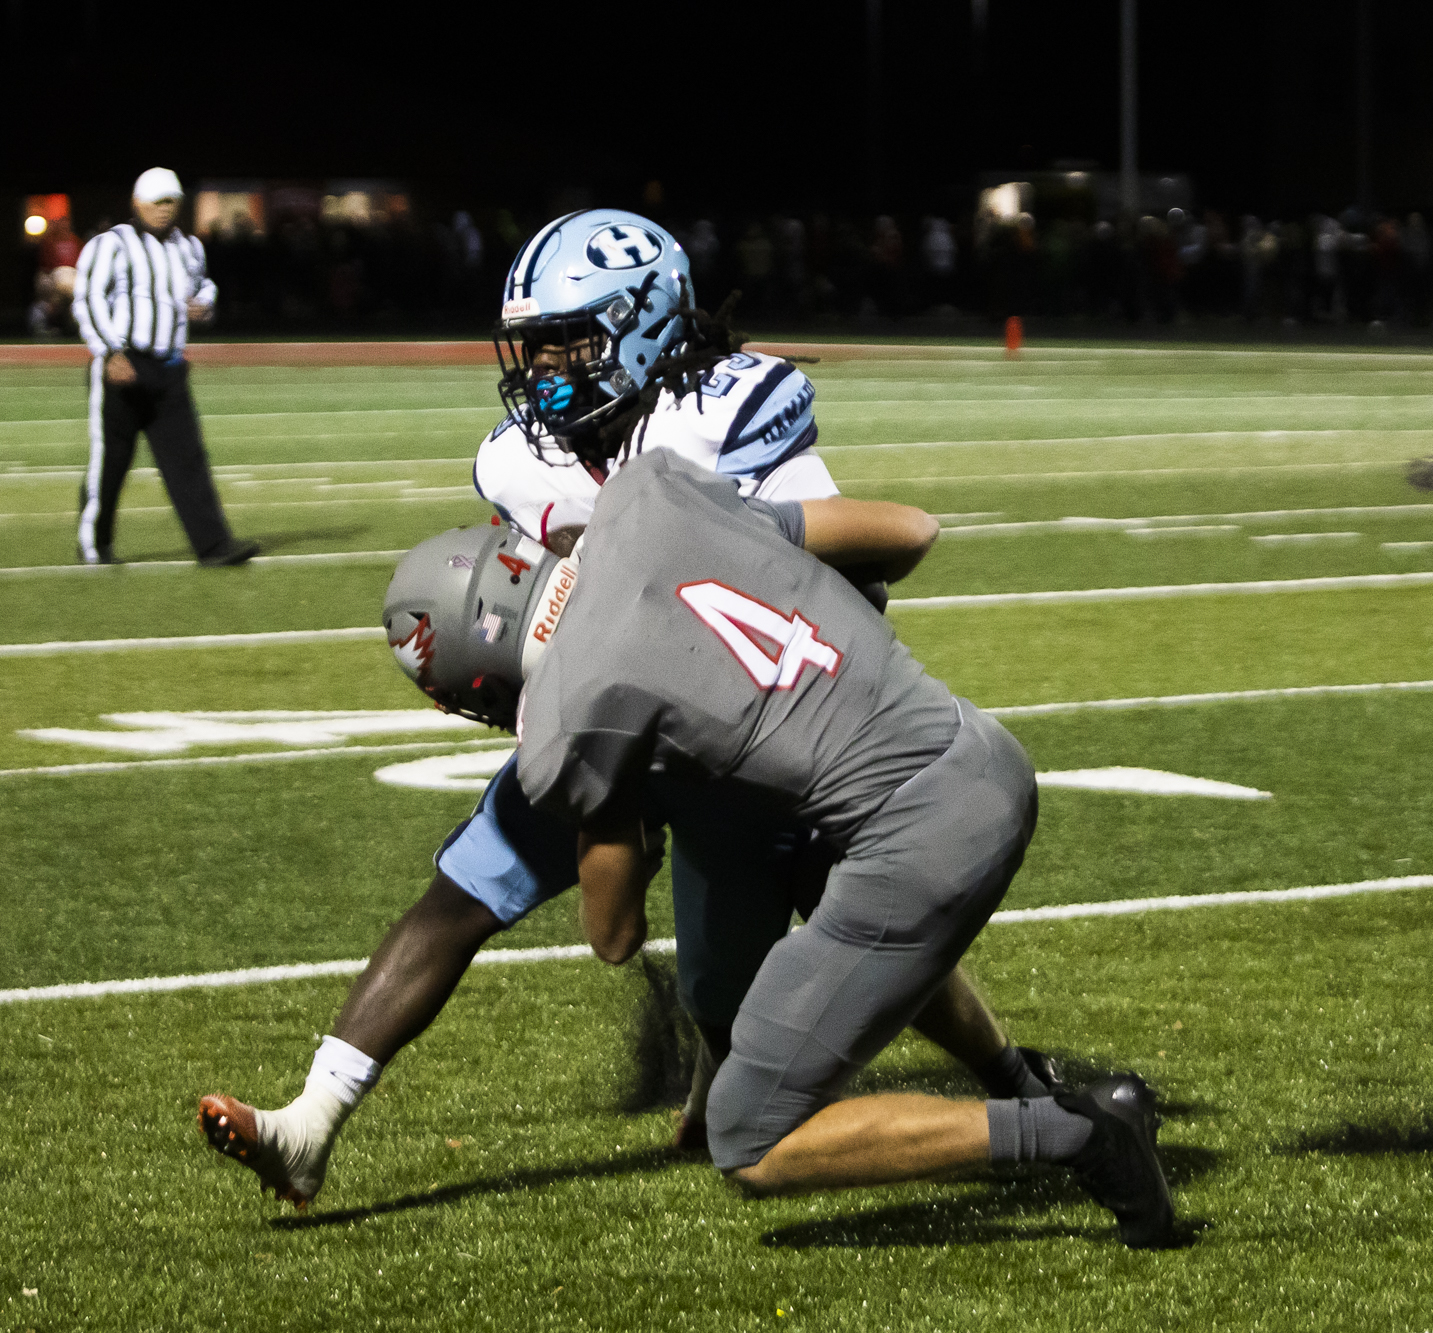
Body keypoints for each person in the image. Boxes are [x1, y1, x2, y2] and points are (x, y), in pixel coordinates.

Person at [197, 211, 1059, 1210]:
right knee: (464, 888)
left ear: (641, 321)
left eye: (564, 340)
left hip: (743, 725)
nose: (540, 369)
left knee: (845, 905)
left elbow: (850, 575)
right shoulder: (521, 457)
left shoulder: (728, 411)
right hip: (609, 716)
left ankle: (1004, 1077)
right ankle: (309, 1121)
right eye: (532, 346)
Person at [70, 167, 258, 567]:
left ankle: (213, 545)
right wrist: (110, 352)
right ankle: (94, 544)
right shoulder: (112, 244)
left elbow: (203, 284)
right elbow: (88, 298)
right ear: (137, 203)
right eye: (157, 202)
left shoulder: (188, 246)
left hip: (169, 368)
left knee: (187, 459)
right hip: (124, 364)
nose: (164, 209)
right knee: (111, 461)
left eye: (171, 201)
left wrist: (204, 303)